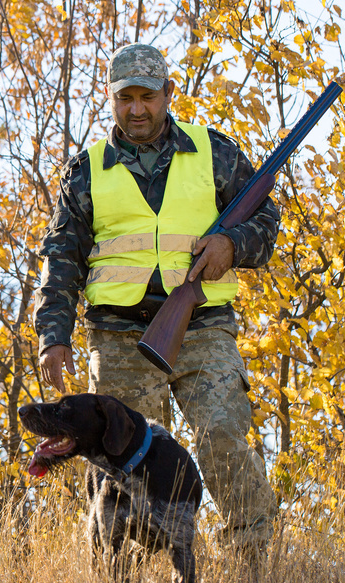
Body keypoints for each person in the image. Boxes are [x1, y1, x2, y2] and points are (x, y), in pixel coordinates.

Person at [34, 43, 279, 554]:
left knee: (226, 440)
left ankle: (257, 571)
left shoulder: (216, 151)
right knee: (117, 470)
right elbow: (62, 257)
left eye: (148, 96)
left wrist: (232, 245)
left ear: (169, 93)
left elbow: (267, 221)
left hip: (204, 328)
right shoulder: (87, 169)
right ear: (111, 98)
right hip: (119, 338)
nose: (137, 108)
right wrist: (52, 337)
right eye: (126, 98)